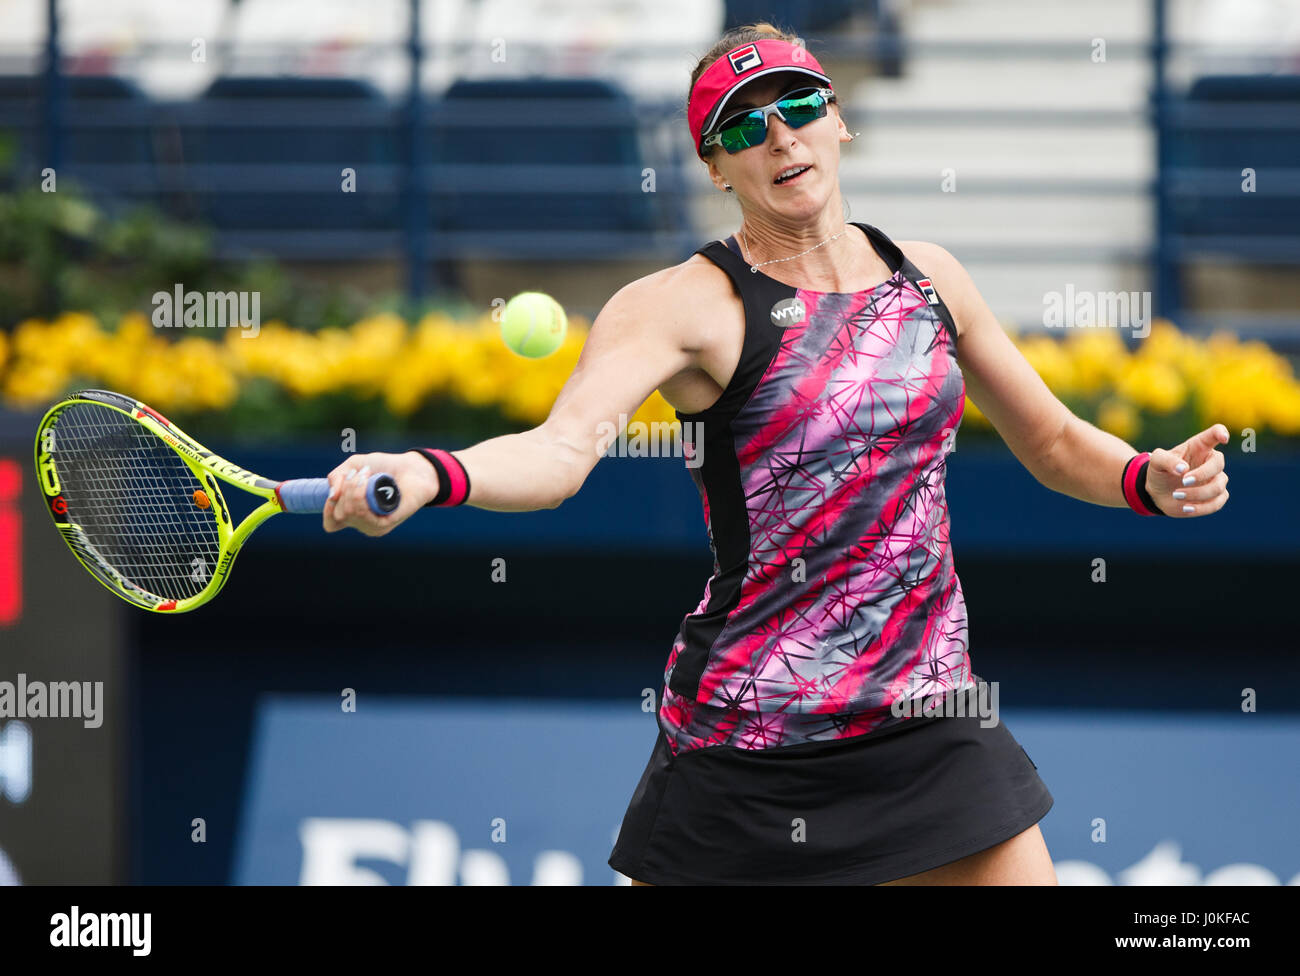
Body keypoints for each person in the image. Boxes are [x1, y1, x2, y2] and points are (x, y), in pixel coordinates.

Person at [322, 23, 1231, 885]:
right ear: (714, 164)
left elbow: (1054, 439)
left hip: (928, 717)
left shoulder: (930, 278)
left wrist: (1141, 478)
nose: (780, 135)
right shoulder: (682, 304)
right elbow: (560, 454)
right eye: (745, 125)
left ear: (838, 118)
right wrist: (430, 475)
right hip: (750, 736)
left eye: (797, 105)